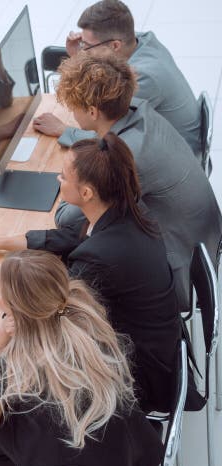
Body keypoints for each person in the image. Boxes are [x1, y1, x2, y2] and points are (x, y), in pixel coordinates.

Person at [0, 133, 199, 414]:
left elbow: (47, 310)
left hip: (140, 376)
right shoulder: (128, 210)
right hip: (163, 347)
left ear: (86, 193)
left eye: (62, 177)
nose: (56, 181)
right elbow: (67, 237)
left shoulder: (100, 258)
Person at [0, 250, 163, 466]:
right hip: (124, 453)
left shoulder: (29, 370)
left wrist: (2, 331)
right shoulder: (81, 318)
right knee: (1, 423)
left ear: (16, 307)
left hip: (67, 464)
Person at [38, 53, 221, 309]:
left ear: (92, 111)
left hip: (179, 271)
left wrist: (69, 179)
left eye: (74, 108)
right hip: (197, 241)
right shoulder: (140, 112)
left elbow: (67, 219)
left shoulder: (129, 156)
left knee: (64, 275)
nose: (71, 112)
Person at [33, 0, 202, 157]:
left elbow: (110, 136)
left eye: (87, 46)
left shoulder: (143, 76)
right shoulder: (140, 41)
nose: (83, 50)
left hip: (173, 159)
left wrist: (63, 130)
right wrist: (78, 55)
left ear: (115, 46)